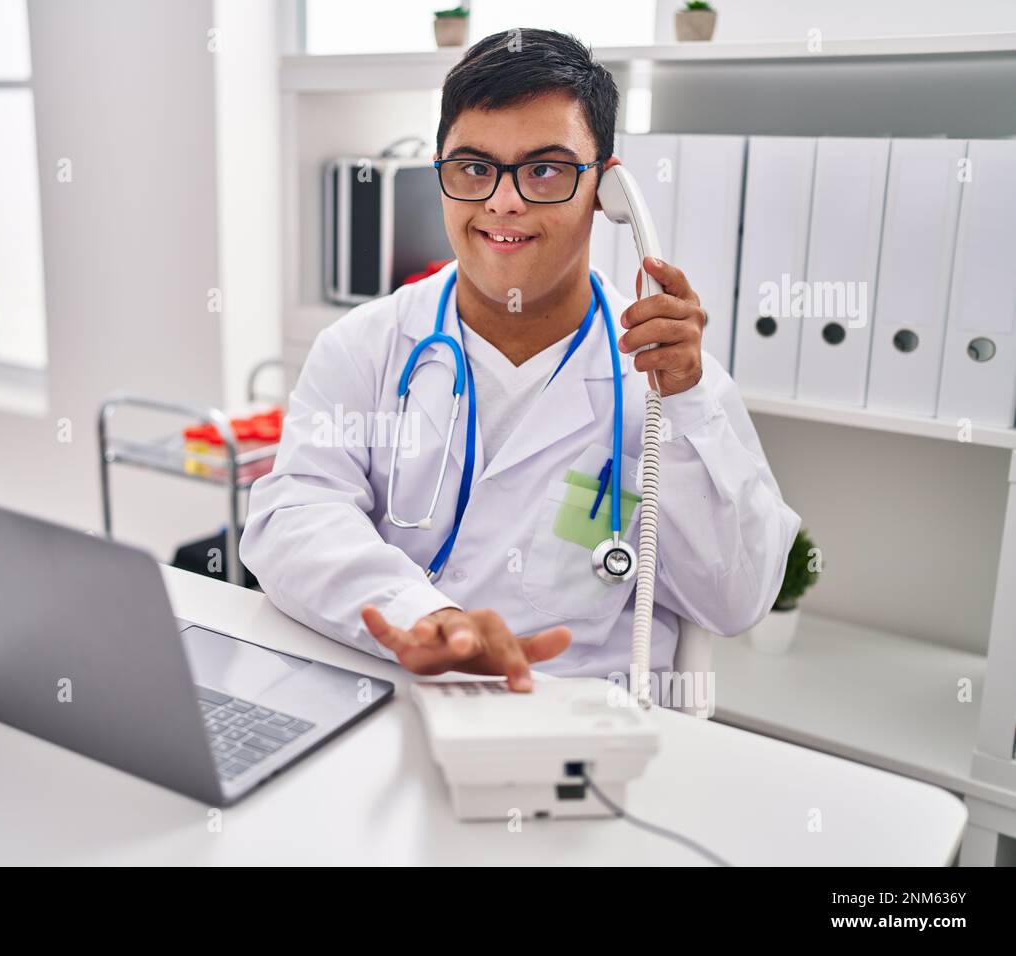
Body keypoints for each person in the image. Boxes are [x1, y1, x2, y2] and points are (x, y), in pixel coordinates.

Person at [240, 29, 800, 692]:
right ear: (441, 174)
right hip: (392, 698)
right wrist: (427, 617)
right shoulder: (366, 346)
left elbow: (736, 600)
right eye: (474, 167)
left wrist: (685, 404)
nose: (503, 202)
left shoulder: (666, 384)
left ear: (606, 191)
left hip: (575, 730)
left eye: (544, 169)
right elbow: (293, 517)